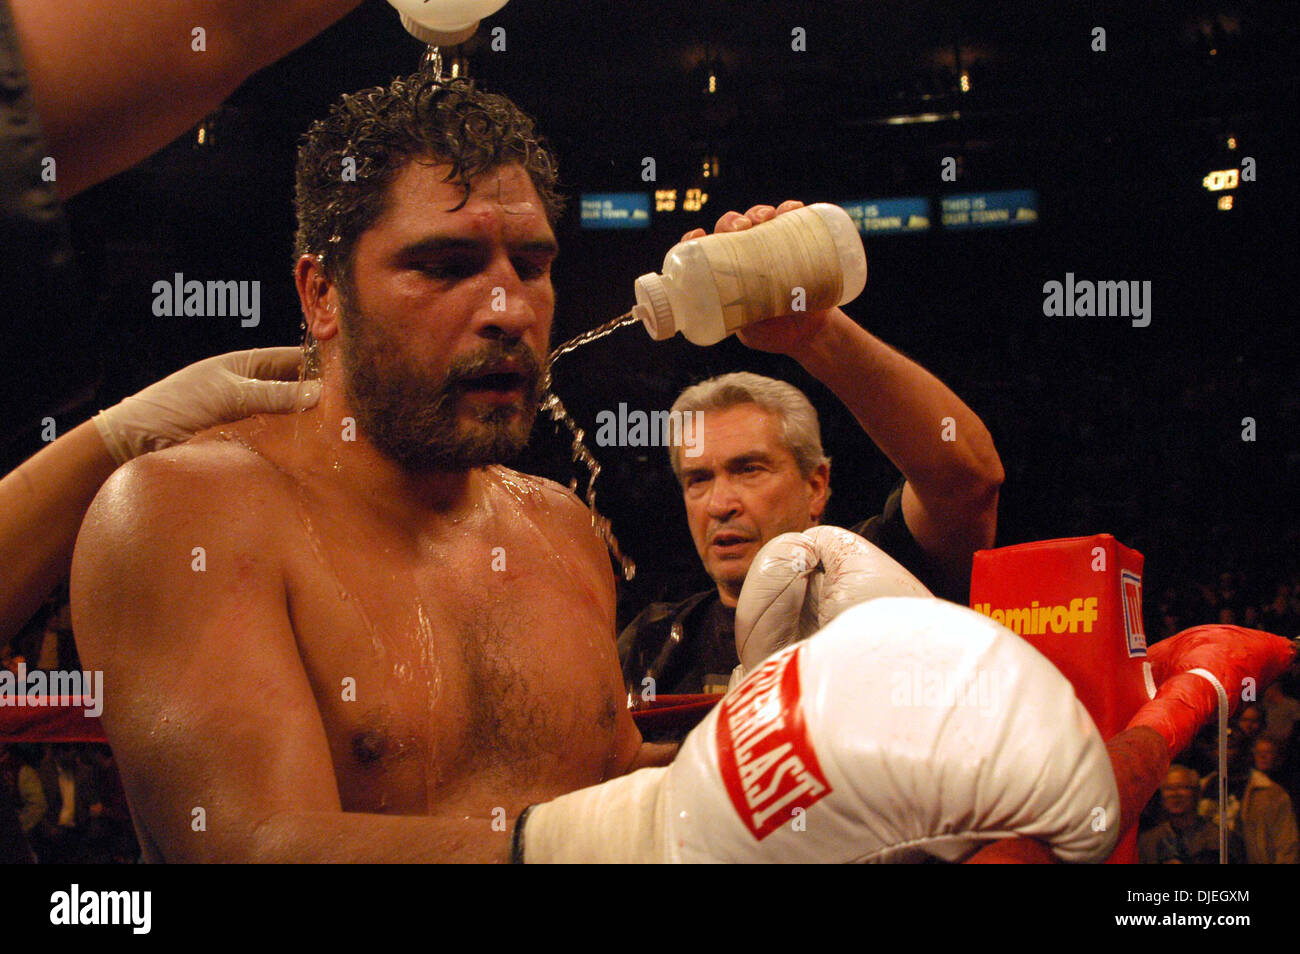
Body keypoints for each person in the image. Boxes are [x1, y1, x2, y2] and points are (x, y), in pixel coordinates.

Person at [70, 73, 1115, 864]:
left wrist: (827, 759)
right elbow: (251, 845)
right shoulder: (184, 509)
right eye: (444, 265)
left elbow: (609, 785)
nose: (508, 308)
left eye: (531, 263)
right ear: (322, 293)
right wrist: (635, 831)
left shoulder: (556, 523)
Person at [618, 226, 1004, 695]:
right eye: (698, 479)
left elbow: (968, 480)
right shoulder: (653, 647)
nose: (720, 503)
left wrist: (816, 333)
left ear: (816, 485)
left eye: (748, 469)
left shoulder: (880, 573)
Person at [1138, 765, 1223, 864]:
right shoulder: (1148, 842)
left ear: (1198, 793)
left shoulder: (1219, 839)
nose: (1175, 794)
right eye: (1168, 788)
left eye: (1182, 787)